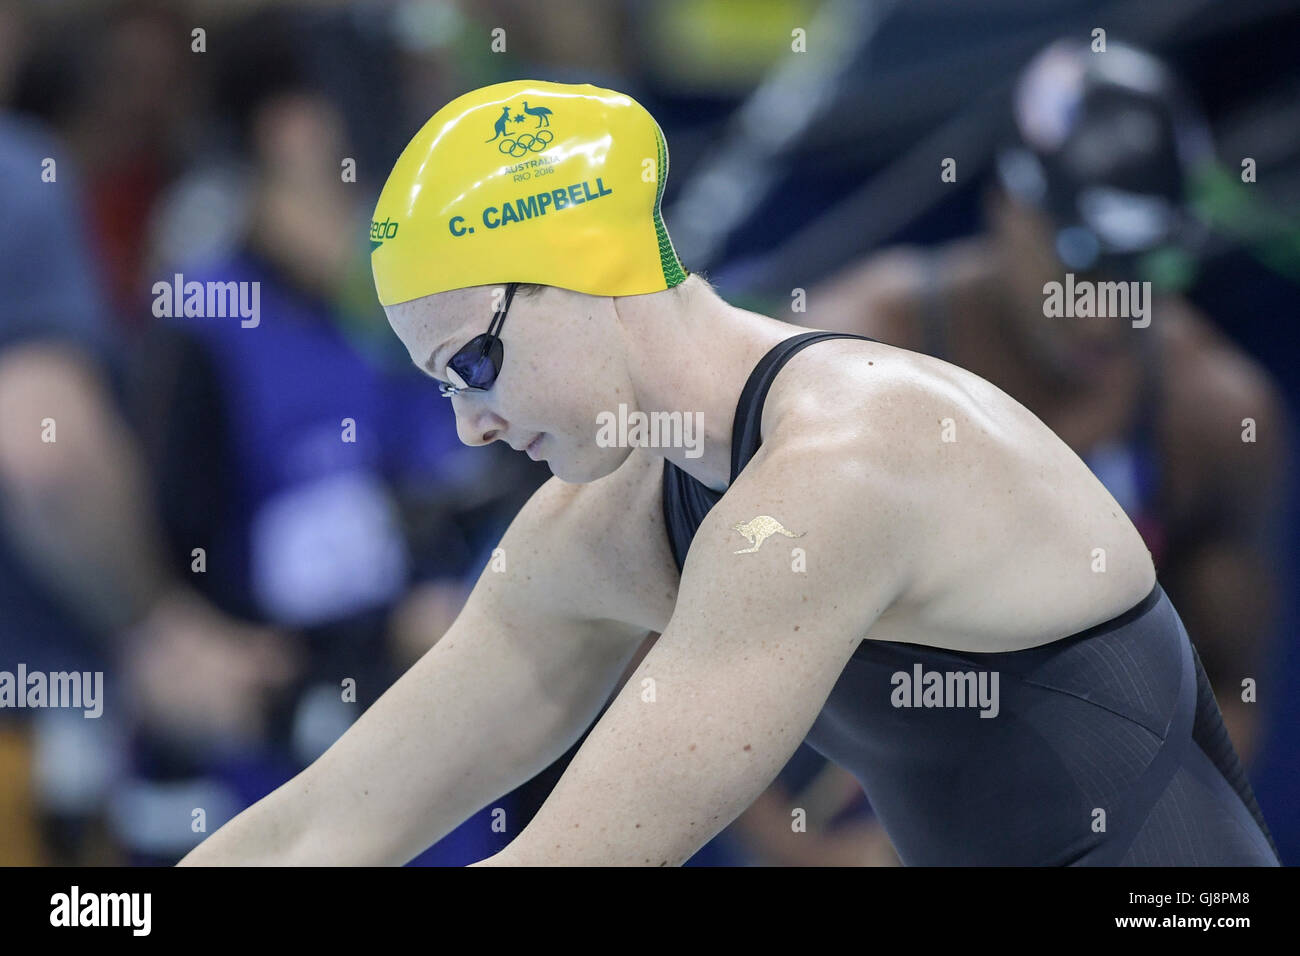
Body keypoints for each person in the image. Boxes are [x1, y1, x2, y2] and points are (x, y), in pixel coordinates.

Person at [179, 79, 1280, 866]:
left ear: (586, 270)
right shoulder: (613, 516)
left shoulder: (849, 460)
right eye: (439, 386)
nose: (468, 426)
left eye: (472, 362)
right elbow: (325, 824)